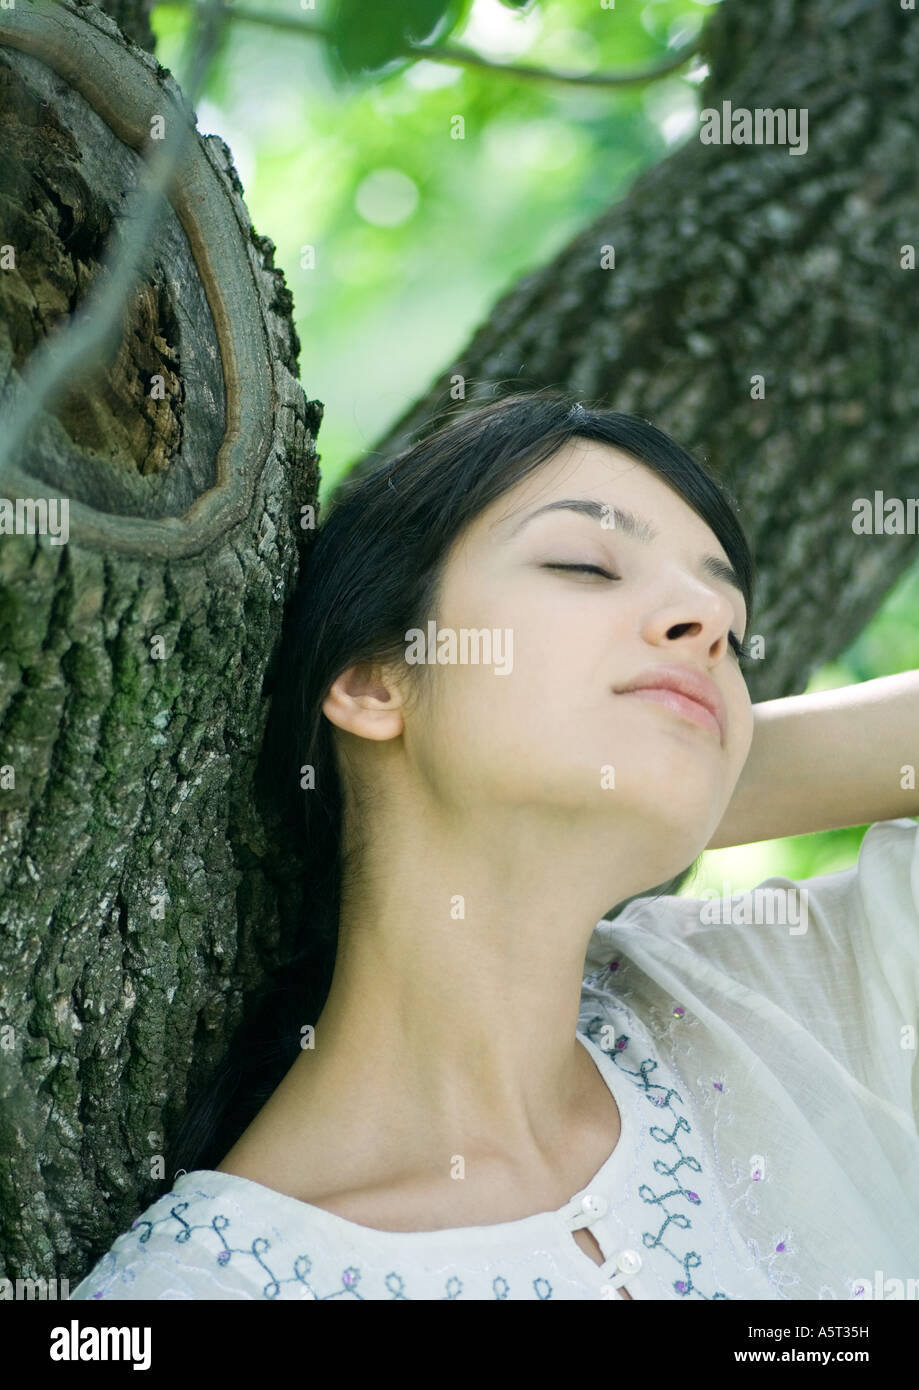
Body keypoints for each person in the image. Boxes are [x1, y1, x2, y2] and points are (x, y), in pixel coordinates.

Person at [70, 388, 919, 1301]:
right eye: (586, 566)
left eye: (732, 633)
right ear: (367, 680)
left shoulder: (767, 1003)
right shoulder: (191, 1293)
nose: (708, 625)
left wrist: (691, 767)